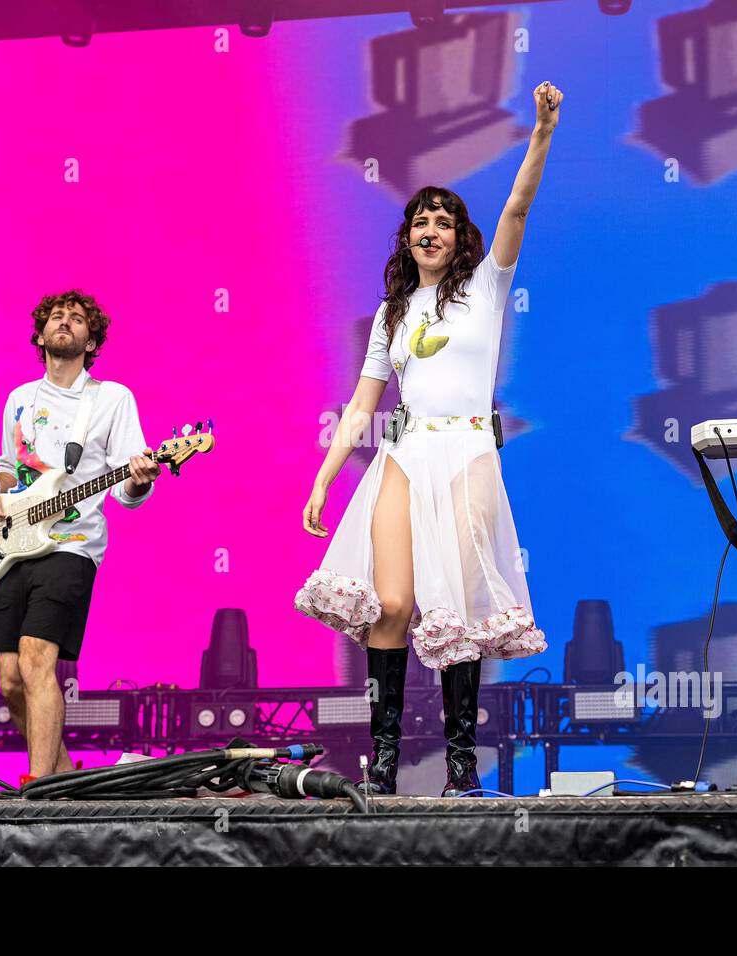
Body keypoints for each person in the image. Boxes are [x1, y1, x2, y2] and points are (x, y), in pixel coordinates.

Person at [296, 81, 563, 797]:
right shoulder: (391, 314)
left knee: (461, 613)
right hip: (403, 455)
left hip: (468, 451)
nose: (432, 229)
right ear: (408, 236)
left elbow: (517, 206)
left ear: (459, 236)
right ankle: (381, 759)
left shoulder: (486, 286)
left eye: (444, 220)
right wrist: (324, 479)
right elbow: (361, 404)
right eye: (421, 219)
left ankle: (460, 766)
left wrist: (540, 132)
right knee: (388, 607)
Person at [0, 290, 161, 783]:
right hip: (14, 545)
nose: (66, 323)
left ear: (90, 340)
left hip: (72, 544)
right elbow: (8, 468)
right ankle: (61, 780)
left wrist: (139, 478)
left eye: (77, 320)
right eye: (57, 317)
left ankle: (38, 795)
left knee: (37, 658)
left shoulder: (112, 399)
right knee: (10, 677)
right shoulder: (19, 399)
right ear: (40, 335)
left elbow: (126, 486)